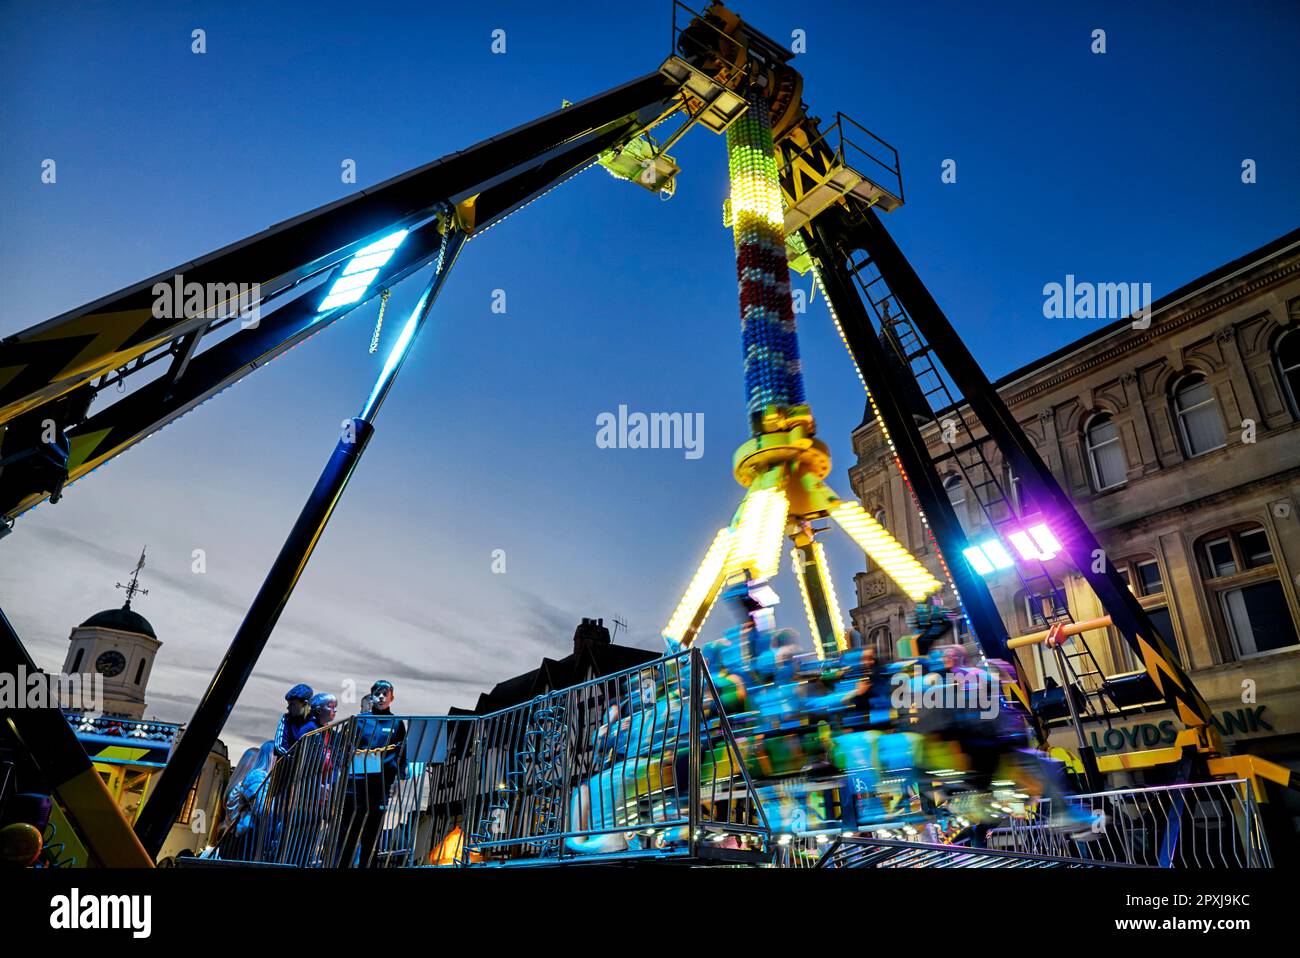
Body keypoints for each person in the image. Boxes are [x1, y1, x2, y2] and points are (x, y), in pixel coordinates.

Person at [337, 680, 408, 867]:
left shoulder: (397, 723)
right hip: (355, 785)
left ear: (392, 698)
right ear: (371, 694)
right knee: (349, 833)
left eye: (386, 693)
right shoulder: (359, 720)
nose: (381, 697)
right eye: (378, 692)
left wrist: (399, 782)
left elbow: (402, 756)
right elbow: (343, 751)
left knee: (372, 835)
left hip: (380, 786)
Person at [274, 684, 315, 758]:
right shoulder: (286, 719)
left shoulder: (316, 720)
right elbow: (280, 746)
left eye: (292, 704)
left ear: (305, 703)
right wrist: (295, 759)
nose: (288, 707)